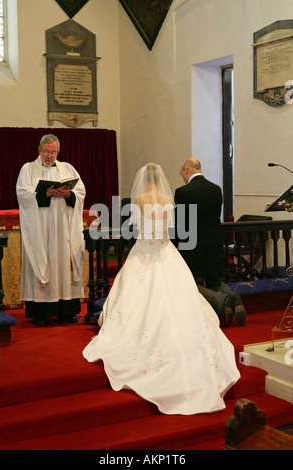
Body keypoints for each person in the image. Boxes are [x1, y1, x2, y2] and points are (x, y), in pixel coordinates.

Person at [83, 163, 240, 415]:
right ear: (160, 180)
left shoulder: (140, 199)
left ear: (144, 181)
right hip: (166, 251)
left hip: (145, 251)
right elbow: (174, 228)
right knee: (180, 299)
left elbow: (133, 229)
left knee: (136, 298)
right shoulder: (169, 198)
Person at [16, 134, 86, 326]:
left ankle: (66, 311)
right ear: (39, 150)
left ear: (58, 151)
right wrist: (44, 192)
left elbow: (80, 191)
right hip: (41, 229)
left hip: (63, 230)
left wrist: (68, 193)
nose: (49, 156)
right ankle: (41, 313)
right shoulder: (28, 169)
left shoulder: (68, 169)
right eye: (46, 151)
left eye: (53, 152)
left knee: (64, 262)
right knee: (43, 259)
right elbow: (22, 193)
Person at [174, 157, 246, 327]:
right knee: (215, 281)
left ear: (186, 170)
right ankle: (236, 300)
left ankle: (224, 301)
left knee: (193, 284)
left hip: (192, 247)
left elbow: (182, 222)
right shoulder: (216, 189)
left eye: (181, 173)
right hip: (214, 245)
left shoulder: (183, 192)